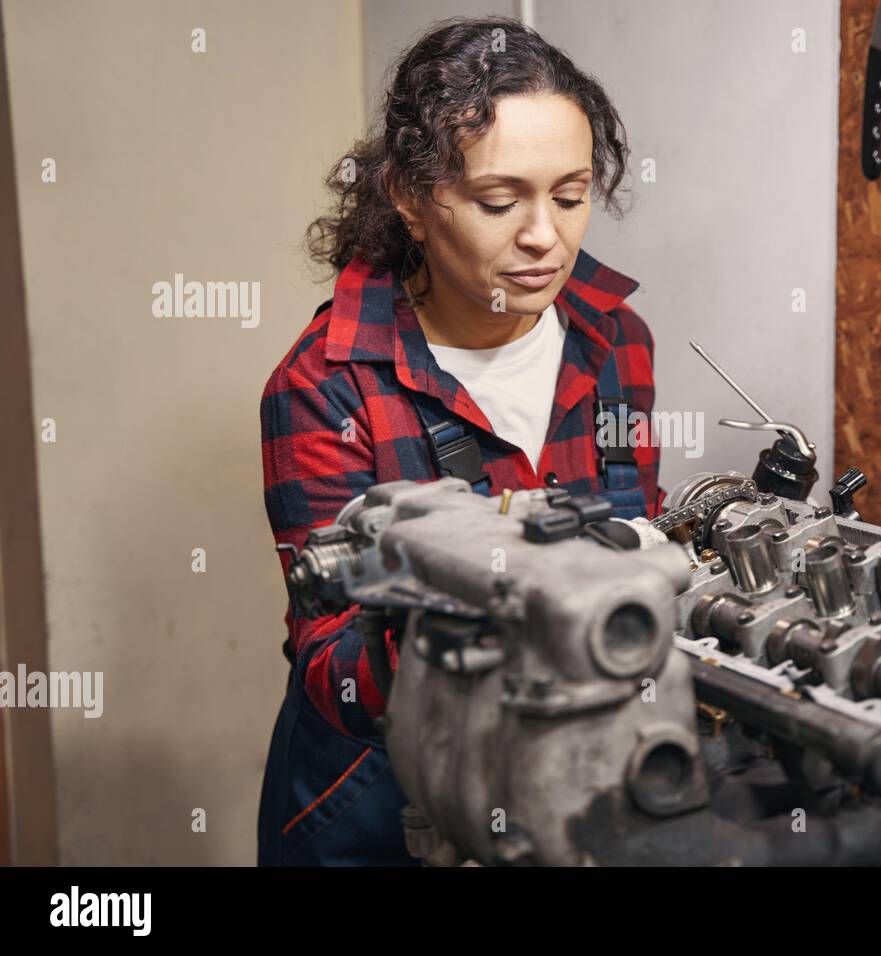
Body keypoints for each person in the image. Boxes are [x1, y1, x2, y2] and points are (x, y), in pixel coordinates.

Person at [256, 15, 665, 866]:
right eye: (498, 200)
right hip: (380, 798)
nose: (544, 238)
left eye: (570, 194)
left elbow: (641, 530)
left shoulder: (616, 338)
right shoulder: (326, 386)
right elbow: (329, 663)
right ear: (411, 195)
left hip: (575, 769)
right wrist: (491, 621)